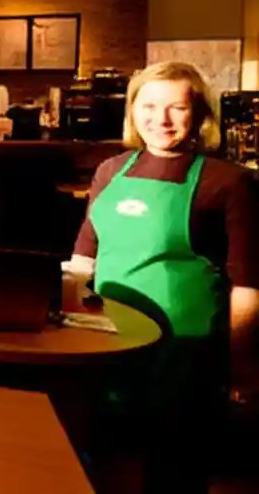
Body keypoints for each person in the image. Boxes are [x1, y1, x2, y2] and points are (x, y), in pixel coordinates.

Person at [68, 61, 257, 493]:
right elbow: (83, 259)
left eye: (177, 107)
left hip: (185, 352)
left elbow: (247, 285)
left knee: (173, 473)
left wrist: (244, 366)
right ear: (132, 111)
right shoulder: (110, 171)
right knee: (104, 465)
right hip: (109, 344)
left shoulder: (228, 182)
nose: (161, 119)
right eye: (149, 106)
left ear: (200, 115)